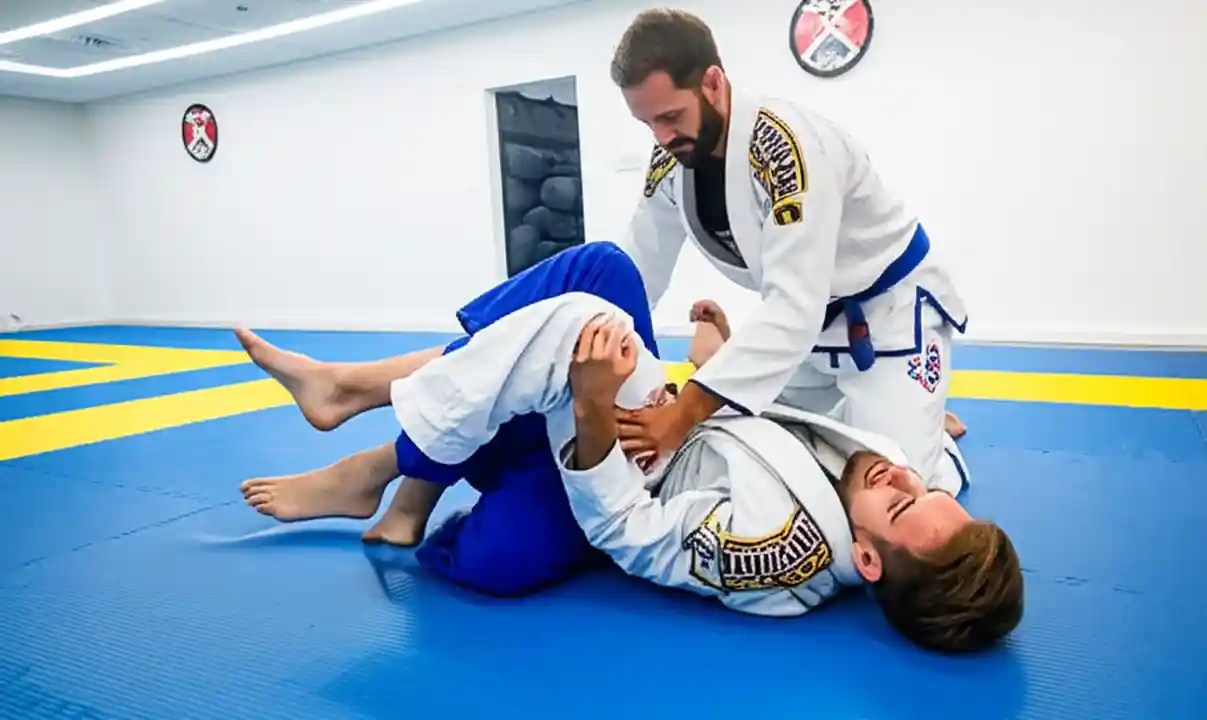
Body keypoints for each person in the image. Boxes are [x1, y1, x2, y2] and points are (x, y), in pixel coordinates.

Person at [235, 243, 1022, 652]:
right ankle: (391, 468)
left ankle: (375, 444)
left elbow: (632, 536)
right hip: (668, 419)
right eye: (927, 488)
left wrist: (593, 405)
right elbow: (787, 410)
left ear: (871, 560)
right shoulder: (903, 467)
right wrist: (715, 352)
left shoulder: (779, 550)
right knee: (598, 280)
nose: (900, 477)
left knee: (496, 548)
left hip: (624, 471)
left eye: (903, 503)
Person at [607, 8, 970, 495]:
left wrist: (684, 411)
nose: (662, 137)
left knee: (895, 491)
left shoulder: (787, 146)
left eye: (671, 116)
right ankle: (905, 413)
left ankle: (929, 441)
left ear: (713, 83)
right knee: (741, 438)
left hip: (890, 314)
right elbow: (639, 269)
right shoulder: (671, 160)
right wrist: (604, 356)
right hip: (813, 332)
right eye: (647, 123)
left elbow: (791, 306)